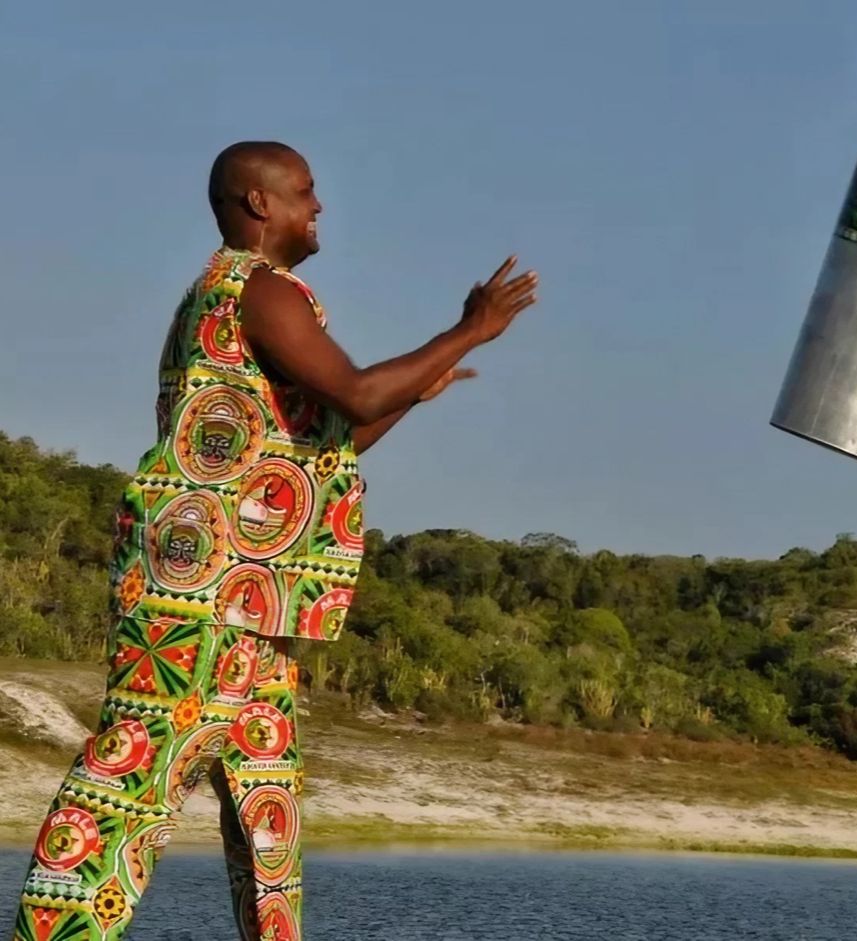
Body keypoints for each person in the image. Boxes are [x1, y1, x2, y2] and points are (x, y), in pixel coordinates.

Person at [9, 141, 537, 941]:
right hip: (202, 586)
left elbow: (325, 441)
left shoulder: (250, 299)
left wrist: (419, 392)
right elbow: (357, 390)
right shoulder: (256, 288)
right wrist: (469, 329)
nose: (318, 207)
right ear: (259, 204)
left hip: (255, 593)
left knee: (268, 803)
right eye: (306, 192)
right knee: (134, 773)